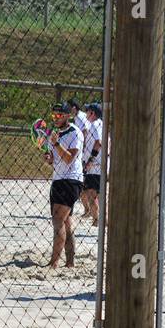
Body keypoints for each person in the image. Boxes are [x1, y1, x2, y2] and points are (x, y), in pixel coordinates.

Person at [44, 103, 84, 269]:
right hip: (58, 179)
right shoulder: (54, 134)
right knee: (66, 222)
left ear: (68, 115)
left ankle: (54, 263)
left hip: (71, 180)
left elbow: (69, 159)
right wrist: (48, 158)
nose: (56, 118)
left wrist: (55, 144)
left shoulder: (75, 132)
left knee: (58, 219)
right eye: (54, 115)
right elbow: (54, 159)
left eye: (59, 115)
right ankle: (70, 262)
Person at [80, 102, 104, 225]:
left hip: (94, 166)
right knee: (98, 194)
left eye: (87, 111)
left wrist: (90, 160)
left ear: (92, 113)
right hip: (99, 165)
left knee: (91, 193)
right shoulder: (100, 124)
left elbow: (98, 143)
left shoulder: (95, 124)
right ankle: (100, 219)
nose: (86, 114)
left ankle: (97, 220)